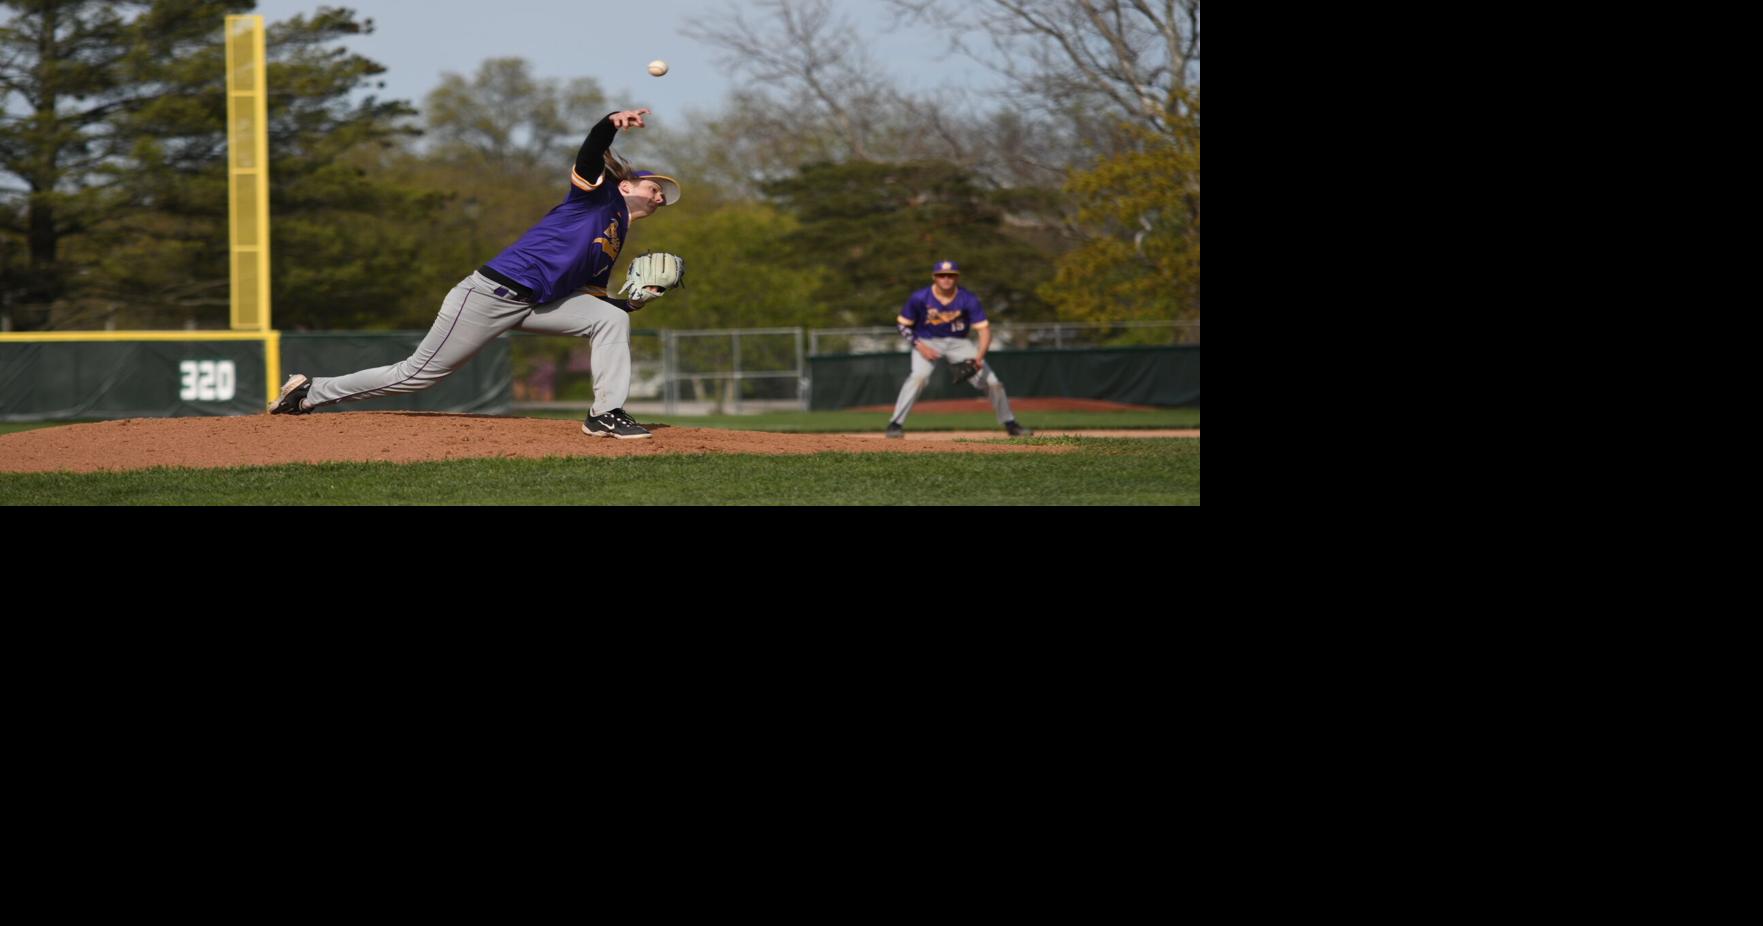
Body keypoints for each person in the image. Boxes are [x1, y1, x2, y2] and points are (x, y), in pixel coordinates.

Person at [268, 107, 681, 440]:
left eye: (664, 196)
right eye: (655, 187)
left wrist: (630, 302)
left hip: (536, 304)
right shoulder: (598, 197)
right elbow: (590, 154)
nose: (660, 196)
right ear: (627, 186)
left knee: (610, 318)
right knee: (416, 375)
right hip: (491, 295)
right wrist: (609, 123)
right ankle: (310, 392)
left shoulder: (614, 236)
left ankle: (604, 414)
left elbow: (588, 299)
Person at [884, 260, 1033, 439]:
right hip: (927, 341)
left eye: (951, 275)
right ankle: (895, 424)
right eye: (942, 275)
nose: (946, 279)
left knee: (993, 382)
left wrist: (979, 357)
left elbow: (984, 330)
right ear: (934, 277)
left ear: (957, 277)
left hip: (959, 343)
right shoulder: (920, 297)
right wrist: (919, 345)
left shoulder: (968, 298)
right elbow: (903, 325)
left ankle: (1010, 424)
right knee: (918, 378)